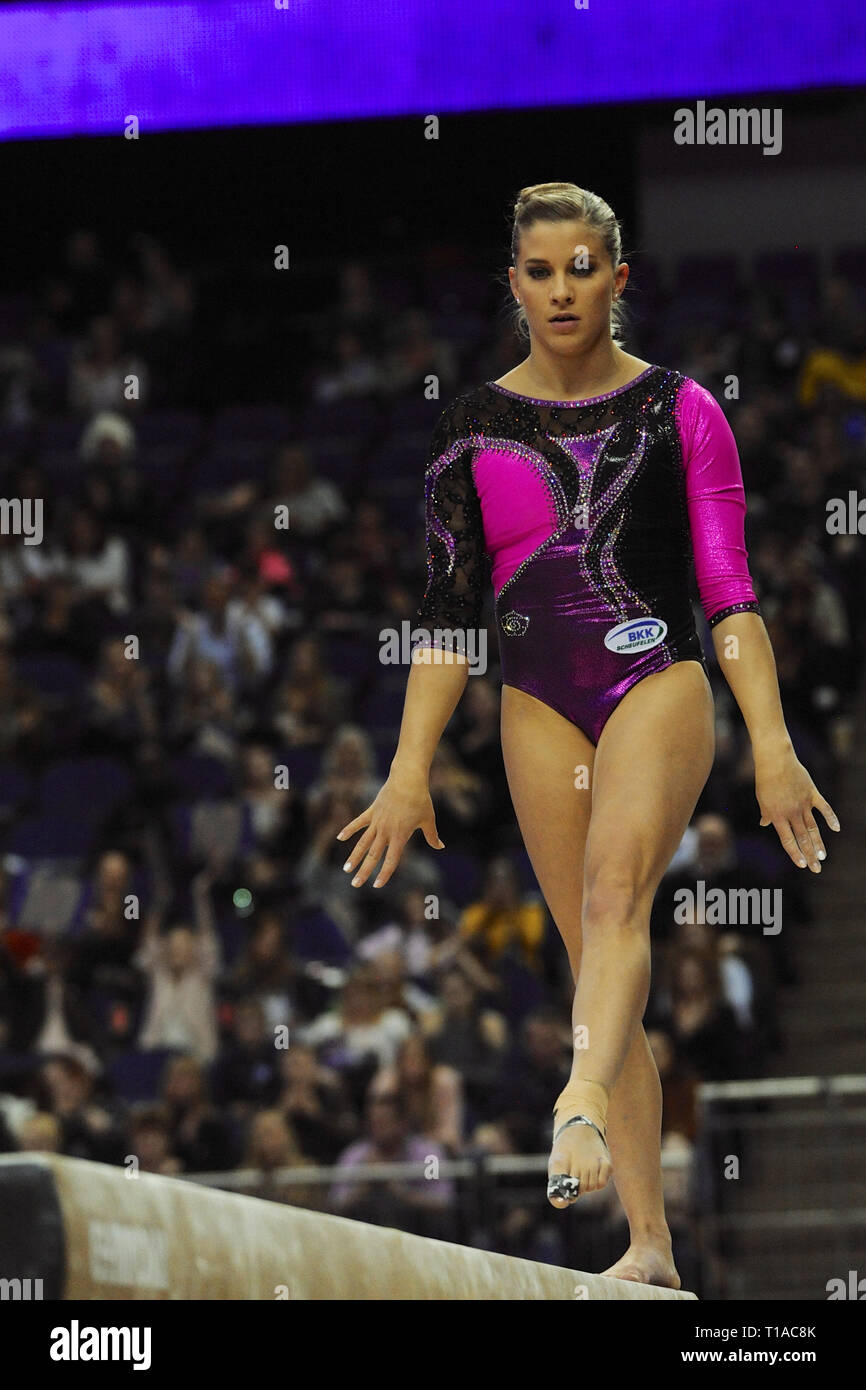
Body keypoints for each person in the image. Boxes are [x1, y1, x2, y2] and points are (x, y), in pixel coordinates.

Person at [336, 182, 839, 1288]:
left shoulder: (679, 410)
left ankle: (578, 1108)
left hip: (656, 676)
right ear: (511, 284)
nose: (560, 289)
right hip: (536, 698)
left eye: (580, 267)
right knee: (593, 965)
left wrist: (770, 741)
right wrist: (409, 766)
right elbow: (445, 610)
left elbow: (731, 592)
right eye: (538, 269)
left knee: (615, 903)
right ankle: (649, 1243)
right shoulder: (469, 426)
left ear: (618, 277)